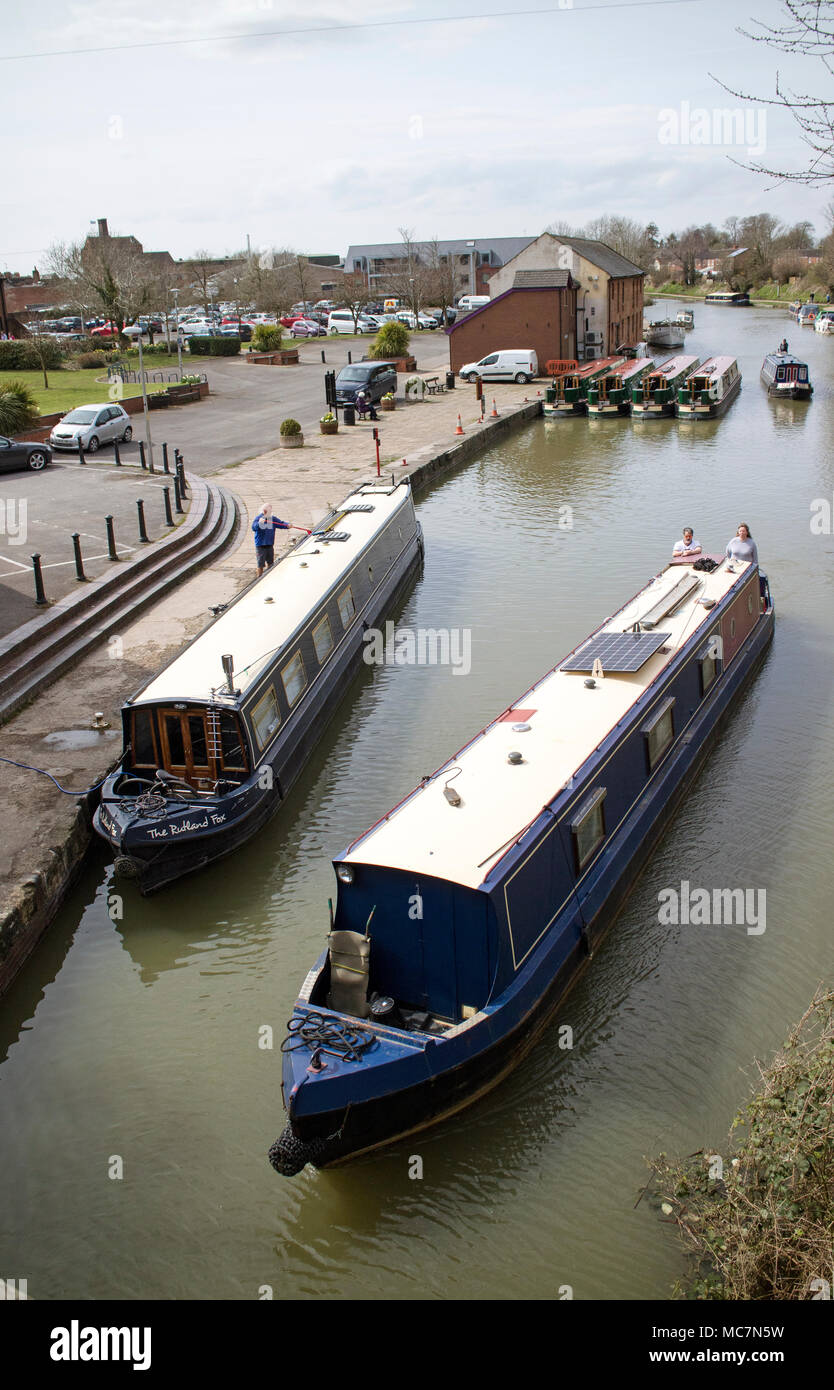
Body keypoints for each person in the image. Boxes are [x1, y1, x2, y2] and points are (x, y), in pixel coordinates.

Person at [252, 503, 290, 572]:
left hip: (269, 544)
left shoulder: (272, 519)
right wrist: (259, 524)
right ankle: (259, 577)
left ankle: (269, 574)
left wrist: (287, 525)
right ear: (264, 511)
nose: (271, 513)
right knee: (260, 564)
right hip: (260, 546)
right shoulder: (258, 518)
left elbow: (281, 523)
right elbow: (254, 527)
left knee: (270, 562)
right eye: (269, 511)